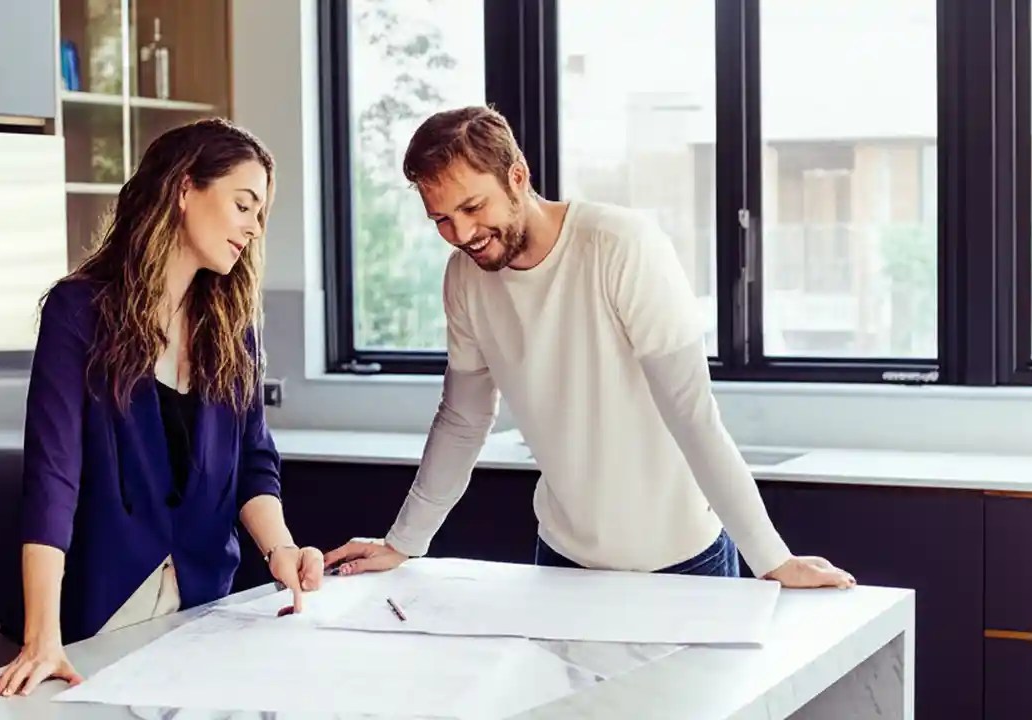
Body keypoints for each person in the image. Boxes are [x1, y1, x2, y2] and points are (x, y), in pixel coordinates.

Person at [324, 106, 855, 590]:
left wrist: (772, 560)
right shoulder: (465, 279)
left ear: (517, 177)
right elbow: (463, 419)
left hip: (683, 562)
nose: (461, 232)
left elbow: (693, 414)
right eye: (441, 219)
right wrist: (403, 543)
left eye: (472, 206)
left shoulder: (620, 245)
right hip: (562, 562)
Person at [0, 118, 323, 698]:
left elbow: (254, 463)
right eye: (243, 204)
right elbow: (53, 476)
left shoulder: (232, 328)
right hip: (98, 612)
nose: (254, 227)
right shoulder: (79, 312)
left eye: (261, 214)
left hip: (202, 608)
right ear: (184, 188)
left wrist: (283, 549)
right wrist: (43, 637)